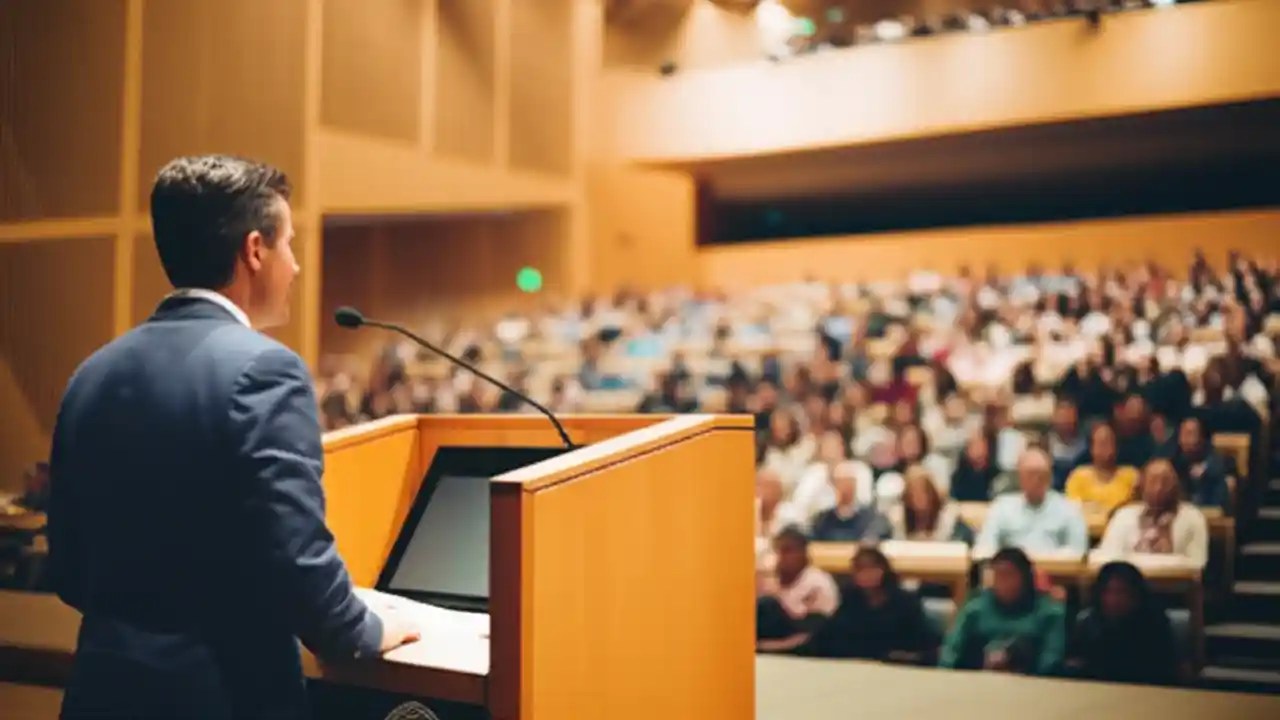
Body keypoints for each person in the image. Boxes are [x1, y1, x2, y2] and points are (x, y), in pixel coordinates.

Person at [48, 156, 419, 720]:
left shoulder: (92, 373)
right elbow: (297, 560)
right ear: (254, 250)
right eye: (289, 244)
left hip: (101, 690)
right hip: (219, 696)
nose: (295, 266)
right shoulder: (267, 370)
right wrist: (368, 628)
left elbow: (70, 570)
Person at [940, 548, 1066, 675]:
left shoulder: (1049, 613)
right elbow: (951, 653)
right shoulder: (975, 609)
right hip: (976, 681)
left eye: (1009, 575)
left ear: (1026, 578)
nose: (1003, 582)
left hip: (1030, 683)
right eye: (998, 575)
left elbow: (1052, 659)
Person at [800, 547, 937, 661]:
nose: (866, 574)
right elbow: (831, 635)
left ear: (883, 569)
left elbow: (924, 643)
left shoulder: (904, 602)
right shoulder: (850, 599)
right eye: (860, 569)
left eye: (872, 568)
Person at [1068, 561, 1181, 686]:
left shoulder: (1155, 624)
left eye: (1121, 592)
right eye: (1107, 592)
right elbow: (1078, 666)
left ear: (1136, 594)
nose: (1113, 599)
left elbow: (1165, 673)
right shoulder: (1089, 624)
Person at [975, 448, 1089, 556]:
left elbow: (1078, 551)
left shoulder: (1069, 509)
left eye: (1042, 474)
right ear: (1020, 477)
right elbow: (985, 548)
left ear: (1050, 477)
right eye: (1030, 474)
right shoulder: (1001, 507)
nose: (1036, 479)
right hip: (1012, 573)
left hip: (1055, 573)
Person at [1098, 459, 1209, 568]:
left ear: (1176, 485)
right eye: (1152, 481)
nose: (1158, 488)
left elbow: (1197, 565)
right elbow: (1106, 559)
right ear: (1142, 485)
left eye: (1165, 482)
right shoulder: (1124, 516)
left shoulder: (1193, 518)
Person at [757, 528, 840, 651]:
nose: (781, 557)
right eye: (778, 551)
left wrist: (776, 647)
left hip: (805, 646)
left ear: (802, 553)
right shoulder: (768, 581)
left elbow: (818, 629)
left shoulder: (819, 583)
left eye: (787, 551)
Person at [1064, 423, 1140, 516]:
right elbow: (1073, 511)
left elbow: (1134, 510)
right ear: (1092, 448)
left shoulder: (1131, 475)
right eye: (1101, 443)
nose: (1106, 448)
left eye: (1110, 442)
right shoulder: (1078, 476)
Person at [808, 463, 893, 543]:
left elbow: (880, 533)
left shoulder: (872, 518)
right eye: (840, 482)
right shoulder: (823, 520)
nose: (845, 487)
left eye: (849, 482)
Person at [887, 466, 973, 544]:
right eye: (913, 493)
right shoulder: (898, 518)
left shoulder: (949, 517)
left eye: (923, 491)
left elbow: (963, 543)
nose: (918, 497)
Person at [1166, 416, 1231, 512]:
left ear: (1202, 437)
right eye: (1182, 434)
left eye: (1190, 434)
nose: (1185, 439)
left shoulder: (1216, 459)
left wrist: (1205, 470)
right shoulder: (1174, 459)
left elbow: (1225, 468)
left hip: (1210, 506)